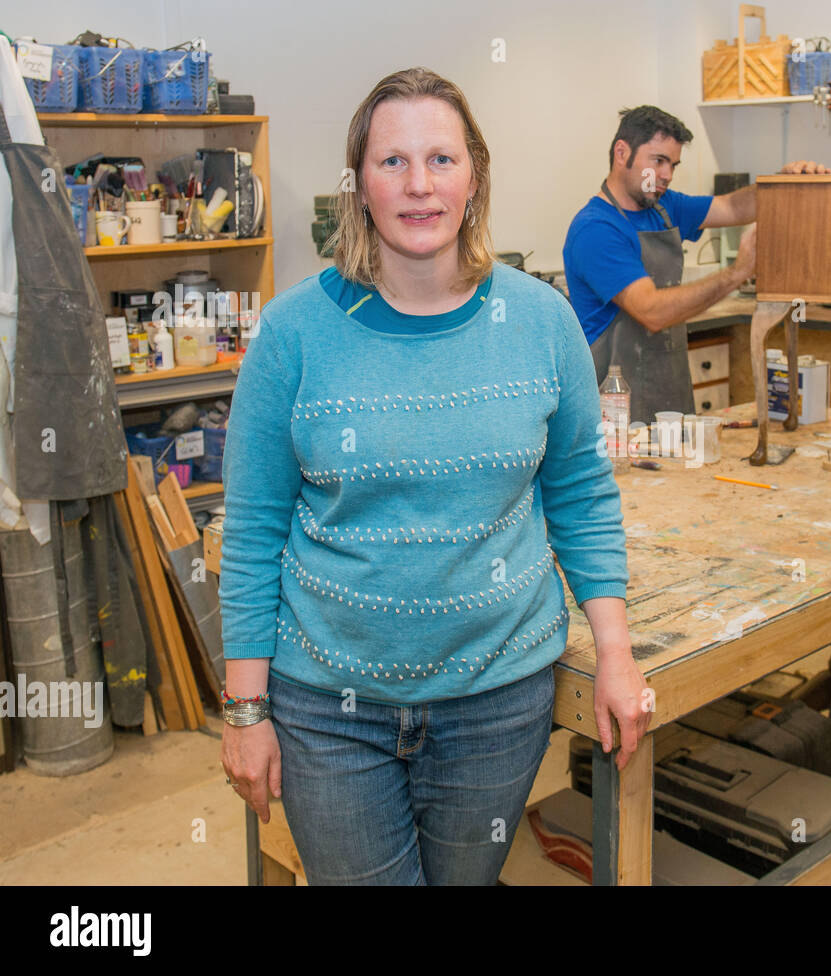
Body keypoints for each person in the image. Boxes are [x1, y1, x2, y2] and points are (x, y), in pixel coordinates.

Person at [218, 67, 648, 886]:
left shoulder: (540, 321)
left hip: (497, 700)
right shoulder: (294, 334)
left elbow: (582, 496)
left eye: (442, 160)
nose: (420, 186)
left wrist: (616, 654)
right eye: (393, 162)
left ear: (475, 175)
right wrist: (245, 712)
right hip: (328, 708)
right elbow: (252, 533)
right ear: (360, 184)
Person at [562, 105, 829, 423]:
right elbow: (652, 312)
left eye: (673, 164)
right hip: (615, 415)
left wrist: (783, 186)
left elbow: (732, 207)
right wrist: (737, 273)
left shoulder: (663, 206)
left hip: (669, 397)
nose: (667, 175)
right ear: (622, 153)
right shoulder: (596, 229)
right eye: (658, 161)